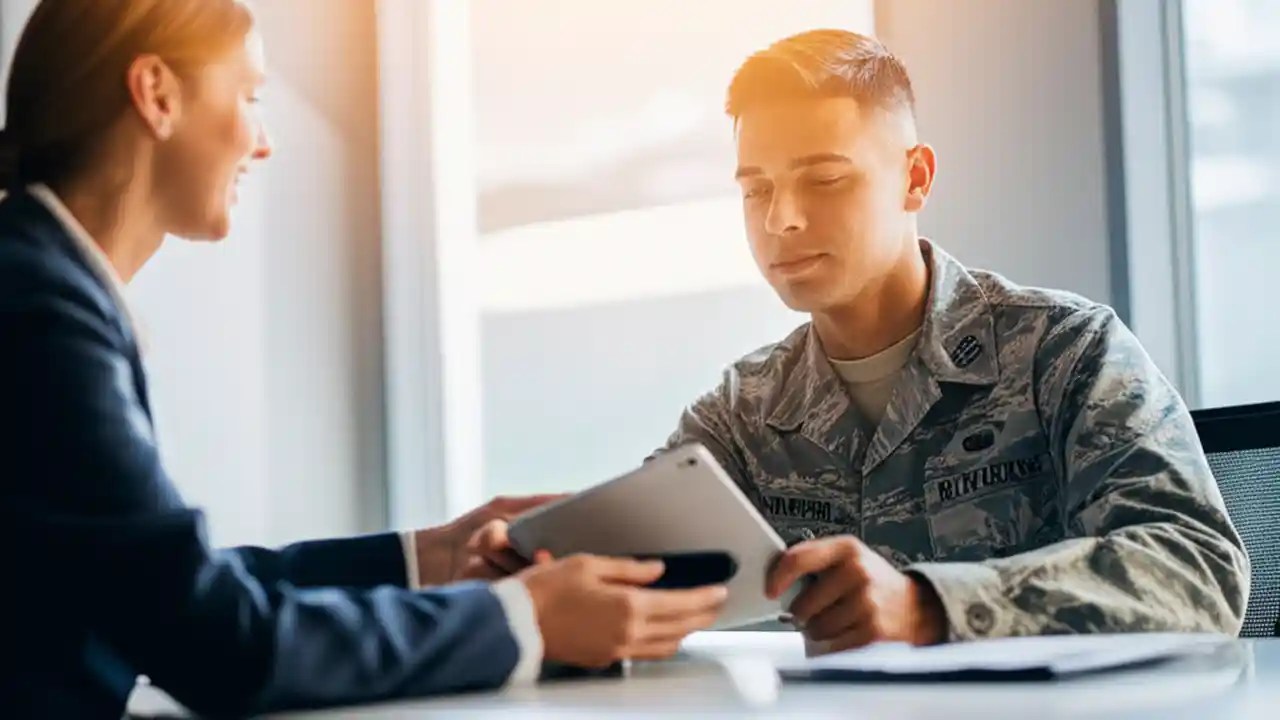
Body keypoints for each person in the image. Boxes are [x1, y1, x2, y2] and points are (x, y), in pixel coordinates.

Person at [0, 1, 726, 717]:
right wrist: (522, 621)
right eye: (249, 97)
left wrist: (429, 560)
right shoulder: (40, 309)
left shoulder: (39, 281)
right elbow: (219, 643)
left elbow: (161, 587)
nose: (263, 143)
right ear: (156, 93)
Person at [473, 29, 1249, 651]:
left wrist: (931, 607)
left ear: (915, 178)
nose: (782, 220)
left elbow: (1200, 569)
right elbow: (645, 583)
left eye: (825, 181)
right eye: (757, 190)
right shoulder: (743, 412)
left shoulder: (1064, 351)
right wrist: (542, 575)